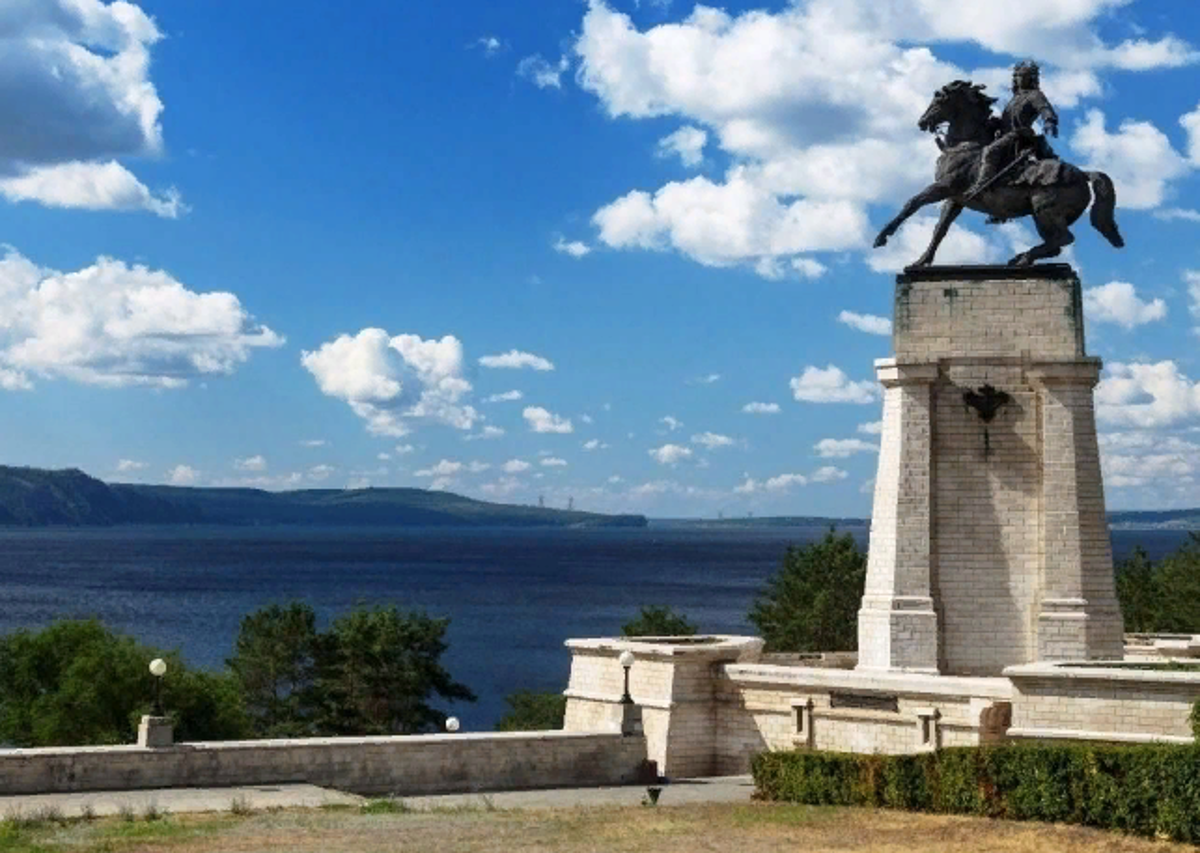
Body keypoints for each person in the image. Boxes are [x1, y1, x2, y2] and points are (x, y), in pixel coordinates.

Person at [967, 60, 1059, 200]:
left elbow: (1045, 109)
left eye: (1024, 76)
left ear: (1031, 78)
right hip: (1005, 134)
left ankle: (982, 185)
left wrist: (1049, 121)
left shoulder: (1035, 95)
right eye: (1017, 76)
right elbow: (1007, 120)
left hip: (1019, 136)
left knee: (990, 151)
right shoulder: (1015, 98)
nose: (1020, 79)